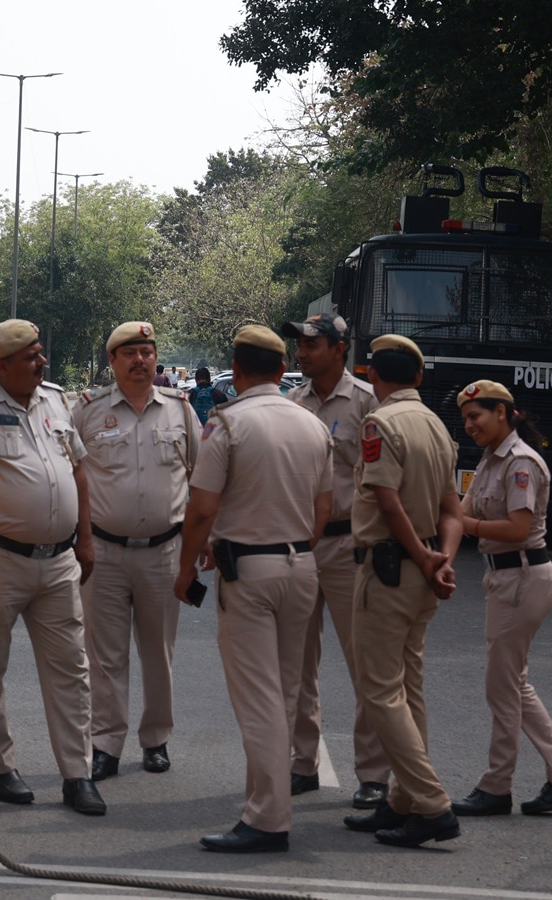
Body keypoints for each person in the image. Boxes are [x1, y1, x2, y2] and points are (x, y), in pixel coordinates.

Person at [173, 324, 333, 853]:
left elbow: (201, 509)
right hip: (301, 564)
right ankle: (265, 805)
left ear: (236, 370)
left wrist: (185, 569)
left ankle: (267, 819)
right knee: (284, 694)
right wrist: (295, 546)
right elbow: (325, 506)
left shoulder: (228, 423)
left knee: (259, 699)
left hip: (249, 570)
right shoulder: (312, 425)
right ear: (282, 368)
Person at [0, 319, 106, 816]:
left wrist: (85, 539)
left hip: (57, 562)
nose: (42, 362)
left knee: (72, 671)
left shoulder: (54, 399)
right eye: (31, 356)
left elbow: (77, 470)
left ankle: (78, 775)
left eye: (40, 353)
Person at [339, 334, 463, 848]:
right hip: (424, 571)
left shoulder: (380, 423)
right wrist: (440, 560)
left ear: (372, 377)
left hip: (389, 570)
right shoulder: (436, 425)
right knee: (408, 690)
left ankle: (431, 804)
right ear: (418, 377)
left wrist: (422, 555)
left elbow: (387, 503)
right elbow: (452, 510)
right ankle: (404, 799)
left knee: (380, 691)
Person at [450, 379, 552, 821]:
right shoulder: (491, 459)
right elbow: (462, 510)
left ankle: (496, 787)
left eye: (476, 416)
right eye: (465, 419)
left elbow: (516, 528)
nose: (470, 425)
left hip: (523, 576)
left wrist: (467, 526)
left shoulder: (520, 463)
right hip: (506, 577)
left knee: (501, 686)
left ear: (502, 413)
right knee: (513, 683)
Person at [72, 322, 201, 781]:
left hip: (164, 552)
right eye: (129, 353)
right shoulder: (88, 411)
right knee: (105, 656)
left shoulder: (181, 410)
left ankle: (156, 740)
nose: (139, 360)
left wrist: (200, 543)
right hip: (103, 551)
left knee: (158, 652)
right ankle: (105, 744)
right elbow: (68, 472)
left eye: (147, 351)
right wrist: (79, 539)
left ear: (156, 358)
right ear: (113, 361)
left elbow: (202, 476)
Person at [280, 313, 389, 808]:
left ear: (339, 348)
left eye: (312, 344)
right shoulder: (293, 404)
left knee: (365, 661)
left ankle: (373, 773)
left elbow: (384, 478)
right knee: (297, 662)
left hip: (350, 546)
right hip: (301, 546)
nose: (301, 352)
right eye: (299, 344)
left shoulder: (368, 403)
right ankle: (302, 763)